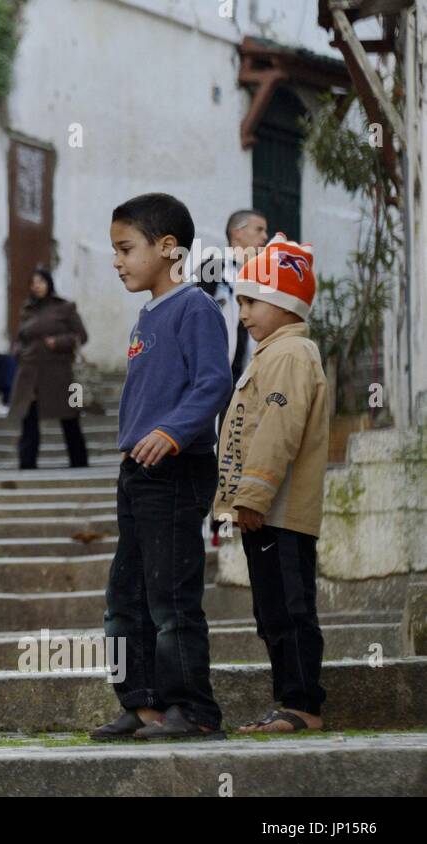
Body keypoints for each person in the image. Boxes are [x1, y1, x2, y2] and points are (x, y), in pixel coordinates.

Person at [90, 193, 231, 742]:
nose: (117, 260)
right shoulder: (149, 314)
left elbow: (213, 382)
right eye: (114, 250)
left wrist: (173, 432)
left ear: (167, 247)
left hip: (176, 471)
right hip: (138, 475)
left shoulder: (194, 306)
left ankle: (193, 709)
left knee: (171, 597)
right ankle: (144, 703)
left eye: (125, 248)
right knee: (126, 598)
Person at [216, 236, 329, 735]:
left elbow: (276, 432)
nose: (242, 313)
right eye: (239, 301)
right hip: (263, 512)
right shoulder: (271, 352)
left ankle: (303, 705)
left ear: (285, 303)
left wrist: (252, 496)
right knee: (272, 612)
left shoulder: (290, 354)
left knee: (290, 609)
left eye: (251, 300)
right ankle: (288, 699)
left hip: (279, 513)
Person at [8, 267, 90, 469]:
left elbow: (81, 336)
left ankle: (79, 462)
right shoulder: (27, 309)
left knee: (69, 419)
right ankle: (27, 464)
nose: (36, 286)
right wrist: (18, 351)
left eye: (41, 282)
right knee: (28, 418)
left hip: (58, 373)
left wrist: (58, 342)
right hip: (30, 373)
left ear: (49, 284)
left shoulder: (65, 307)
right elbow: (19, 338)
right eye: (33, 282)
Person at [196, 208, 268, 385]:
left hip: (247, 375)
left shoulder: (260, 275)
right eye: (259, 229)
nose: (265, 236)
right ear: (237, 233)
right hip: (213, 375)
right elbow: (195, 319)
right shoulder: (210, 268)